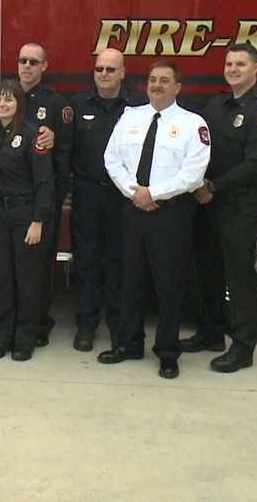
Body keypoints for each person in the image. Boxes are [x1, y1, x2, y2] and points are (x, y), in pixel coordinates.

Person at [100, 61, 210, 379]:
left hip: (171, 214)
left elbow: (193, 173)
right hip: (133, 210)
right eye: (152, 80)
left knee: (168, 285)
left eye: (164, 81)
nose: (157, 85)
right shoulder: (131, 117)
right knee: (129, 281)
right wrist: (134, 193)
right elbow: (112, 158)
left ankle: (167, 353)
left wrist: (155, 194)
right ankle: (128, 344)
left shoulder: (193, 124)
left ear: (178, 87)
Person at [185, 44, 257, 372]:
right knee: (208, 271)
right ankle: (212, 332)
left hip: (238, 205)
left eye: (241, 64)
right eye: (229, 64)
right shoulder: (217, 104)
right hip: (208, 203)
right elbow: (201, 148)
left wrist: (213, 186)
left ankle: (243, 348)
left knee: (240, 278)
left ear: (256, 68)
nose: (233, 69)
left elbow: (256, 164)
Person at [67, 48, 146, 352]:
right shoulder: (78, 104)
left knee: (119, 261)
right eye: (100, 69)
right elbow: (68, 149)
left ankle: (117, 326)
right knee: (86, 261)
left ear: (123, 73)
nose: (104, 74)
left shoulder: (138, 105)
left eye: (111, 70)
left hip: (123, 194)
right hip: (88, 192)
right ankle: (86, 326)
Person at [0, 80, 54, 361]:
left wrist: (38, 220)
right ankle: (4, 334)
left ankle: (25, 336)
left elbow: (45, 182)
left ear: (19, 104)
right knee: (1, 278)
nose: (2, 104)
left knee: (27, 279)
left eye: (9, 100)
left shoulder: (32, 135)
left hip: (26, 217)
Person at [15, 42, 72, 347]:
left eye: (34, 62)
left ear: (44, 67)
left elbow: (63, 156)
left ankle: (39, 323)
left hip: (40, 201)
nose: (27, 66)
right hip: (9, 201)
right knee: (10, 266)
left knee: (39, 268)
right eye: (23, 60)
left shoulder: (55, 104)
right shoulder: (4, 97)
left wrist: (54, 199)